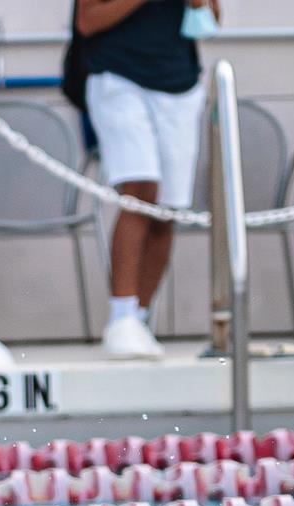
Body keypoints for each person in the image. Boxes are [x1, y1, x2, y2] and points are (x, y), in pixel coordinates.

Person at [72, 0, 218, 361]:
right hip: (119, 77)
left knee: (167, 209)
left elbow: (210, 18)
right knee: (140, 191)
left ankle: (138, 319)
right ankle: (121, 316)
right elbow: (87, 21)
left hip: (179, 84)